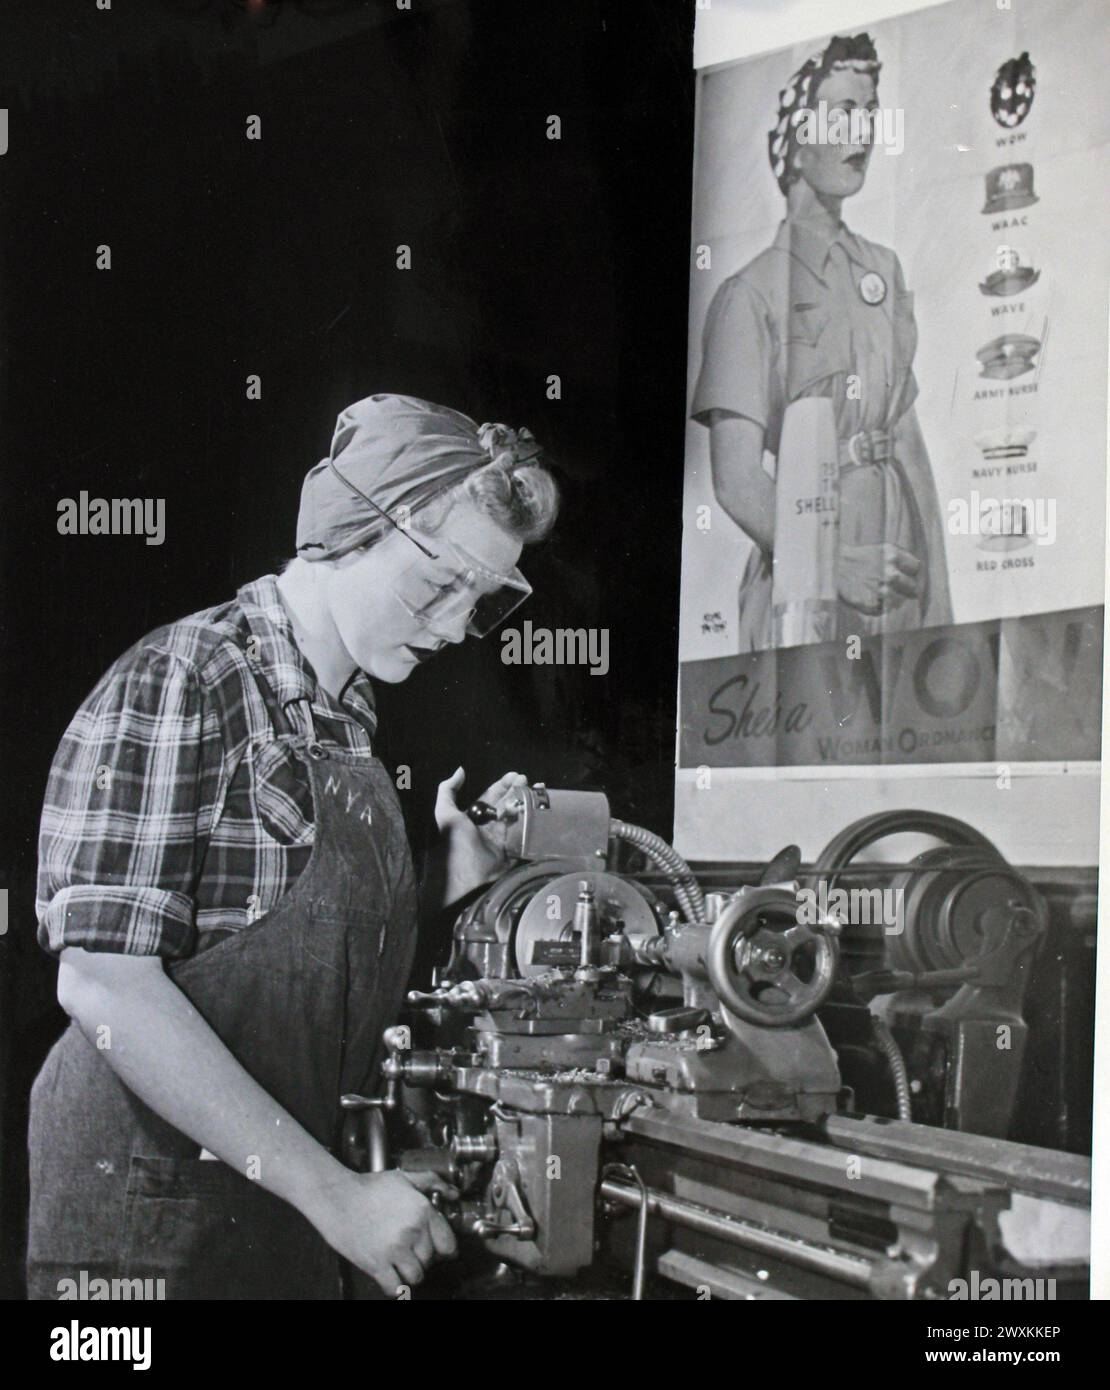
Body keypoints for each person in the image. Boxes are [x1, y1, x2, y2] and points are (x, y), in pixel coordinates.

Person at [28, 393, 559, 1300]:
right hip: (150, 1224)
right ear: (352, 526)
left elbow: (307, 983)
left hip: (277, 1208)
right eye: (438, 582)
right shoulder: (186, 677)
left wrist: (453, 886)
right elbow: (103, 981)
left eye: (480, 603)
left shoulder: (345, 718)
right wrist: (339, 1199)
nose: (447, 628)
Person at [691, 33, 951, 651]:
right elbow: (735, 480)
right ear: (796, 136)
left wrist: (941, 608)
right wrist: (833, 566)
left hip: (901, 567)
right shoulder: (747, 294)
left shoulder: (883, 272)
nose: (862, 133)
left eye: (869, 113)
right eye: (842, 113)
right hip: (810, 573)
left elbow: (909, 448)